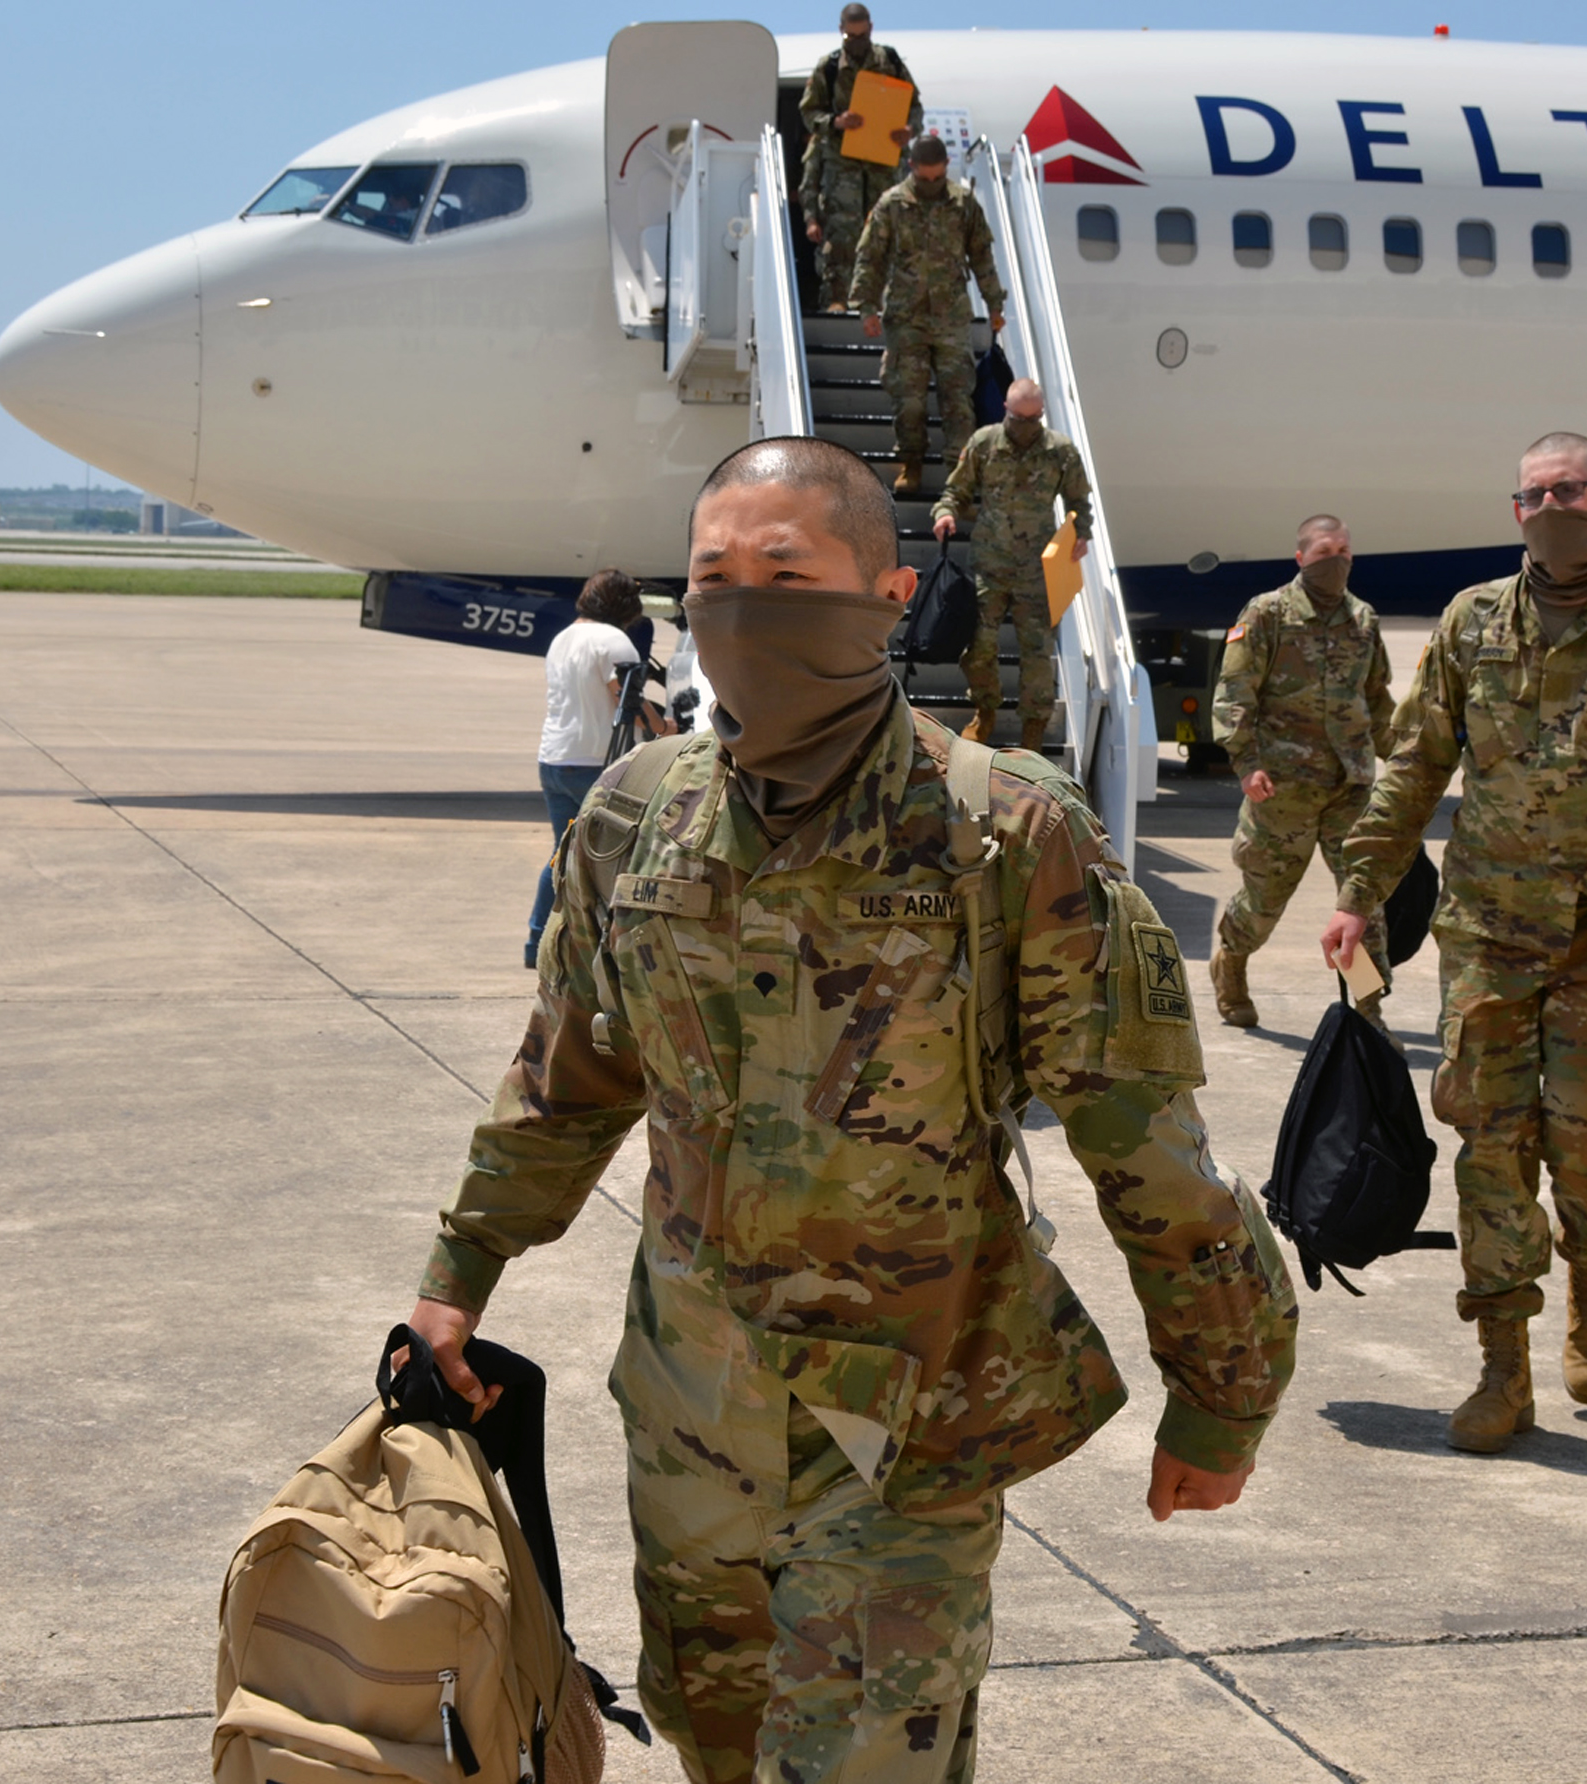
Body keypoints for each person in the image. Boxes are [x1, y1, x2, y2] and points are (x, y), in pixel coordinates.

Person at [406, 437, 1296, 1784]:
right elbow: (565, 1079)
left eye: (785, 571)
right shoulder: (633, 820)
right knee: (712, 1743)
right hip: (690, 1416)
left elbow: (1149, 1151)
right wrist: (458, 1272)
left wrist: (1222, 1395)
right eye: (714, 576)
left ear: (885, 596)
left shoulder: (1004, 832)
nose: (743, 603)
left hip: (908, 1430)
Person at [1318, 433, 1587, 1455]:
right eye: (1537, 493)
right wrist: (1358, 892)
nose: (1555, 504)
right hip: (1486, 931)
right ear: (1516, 509)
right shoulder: (1472, 623)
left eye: (1572, 489)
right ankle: (1501, 1367)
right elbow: (1411, 768)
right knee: (1491, 1144)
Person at [1208, 516, 1395, 1031]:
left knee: (1364, 903)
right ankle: (1233, 961)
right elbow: (1234, 692)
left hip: (1349, 787)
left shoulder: (1364, 620)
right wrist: (1246, 764)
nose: (1336, 560)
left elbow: (1376, 701)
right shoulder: (1268, 614)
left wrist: (1405, 758)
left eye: (1344, 550)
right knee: (1264, 904)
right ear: (1301, 558)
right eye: (1324, 551)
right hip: (1281, 789)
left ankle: (1367, 1011)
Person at [930, 377, 1092, 752]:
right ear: (1006, 409)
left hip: (1038, 571)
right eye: (1017, 417)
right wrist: (945, 513)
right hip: (989, 563)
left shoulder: (1060, 451)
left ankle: (1033, 730)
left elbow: (1079, 501)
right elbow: (956, 490)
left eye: (1030, 418)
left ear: (1041, 414)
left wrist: (1080, 532)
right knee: (980, 647)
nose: (1023, 425)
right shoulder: (984, 443)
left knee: (1036, 653)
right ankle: (984, 712)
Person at [850, 134, 1005, 494]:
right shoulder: (892, 205)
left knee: (958, 400)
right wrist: (867, 307)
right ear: (912, 168)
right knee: (910, 398)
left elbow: (982, 256)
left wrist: (995, 303)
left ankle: (958, 479)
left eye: (938, 178)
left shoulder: (963, 204)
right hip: (907, 318)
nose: (932, 185)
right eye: (925, 179)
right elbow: (870, 257)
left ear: (946, 169)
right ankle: (911, 462)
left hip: (951, 317)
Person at [525, 569, 663, 969]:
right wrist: (662, 727)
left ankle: (536, 942)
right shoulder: (614, 640)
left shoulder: (562, 638)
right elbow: (626, 699)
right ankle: (613, 946)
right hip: (597, 763)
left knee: (562, 856)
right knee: (622, 857)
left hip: (554, 758)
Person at [798, 3, 922, 312]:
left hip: (883, 166)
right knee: (840, 245)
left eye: (862, 34)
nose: (857, 40)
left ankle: (881, 308)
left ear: (871, 28)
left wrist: (909, 129)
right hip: (843, 171)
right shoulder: (828, 67)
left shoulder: (889, 61)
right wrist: (836, 122)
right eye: (851, 35)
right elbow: (808, 112)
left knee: (885, 240)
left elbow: (914, 105)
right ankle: (837, 306)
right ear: (841, 30)